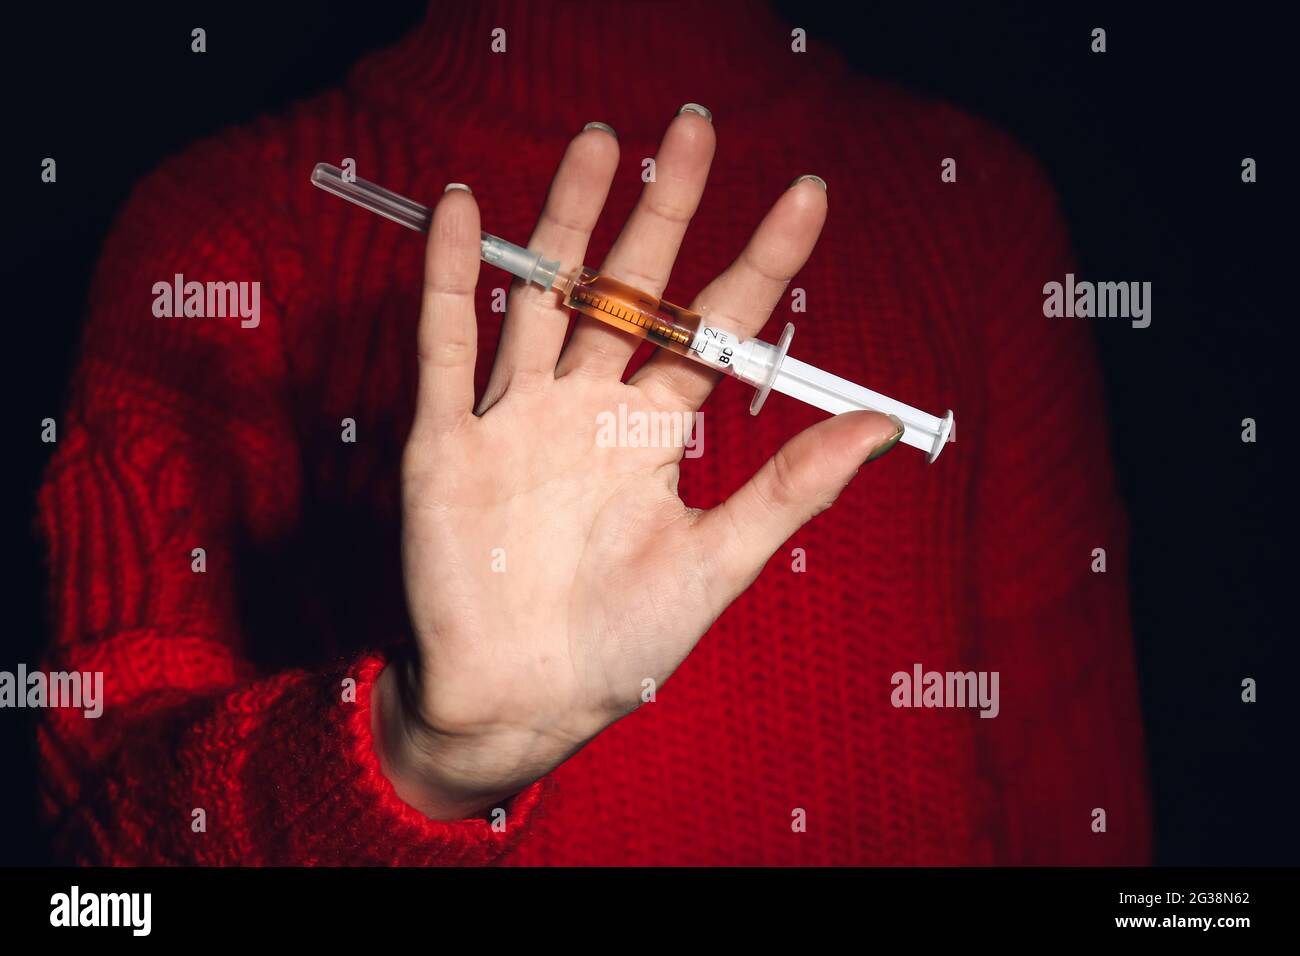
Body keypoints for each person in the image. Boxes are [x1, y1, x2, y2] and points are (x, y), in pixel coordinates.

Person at [35, 0, 1150, 864]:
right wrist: (419, 756)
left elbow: (1080, 821)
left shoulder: (979, 209)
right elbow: (95, 884)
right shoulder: (221, 226)